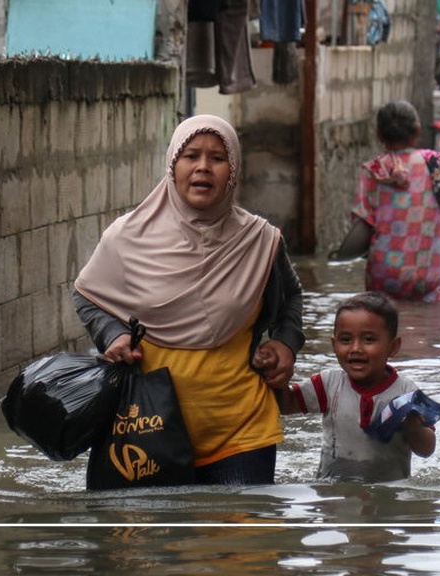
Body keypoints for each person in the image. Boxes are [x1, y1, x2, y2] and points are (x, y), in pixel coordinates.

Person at [72, 114, 305, 485]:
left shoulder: (261, 241)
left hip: (240, 431)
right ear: (172, 165)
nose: (203, 167)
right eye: (191, 156)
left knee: (247, 540)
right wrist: (113, 335)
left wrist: (285, 343)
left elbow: (291, 297)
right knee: (149, 539)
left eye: (217, 157)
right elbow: (89, 297)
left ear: (233, 169)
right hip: (147, 429)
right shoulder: (126, 238)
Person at [277, 291, 437, 482]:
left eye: (369, 339)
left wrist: (413, 424)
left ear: (393, 347)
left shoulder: (407, 391)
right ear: (334, 345)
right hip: (333, 494)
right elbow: (285, 405)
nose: (355, 348)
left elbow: (427, 449)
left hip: (388, 494)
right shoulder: (328, 384)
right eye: (345, 340)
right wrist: (279, 377)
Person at [331, 100, 440, 303]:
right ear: (417, 130)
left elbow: (361, 225)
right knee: (432, 328)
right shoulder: (438, 165)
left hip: (384, 272)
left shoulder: (373, 170)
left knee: (386, 326)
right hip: (430, 270)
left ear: (379, 135)